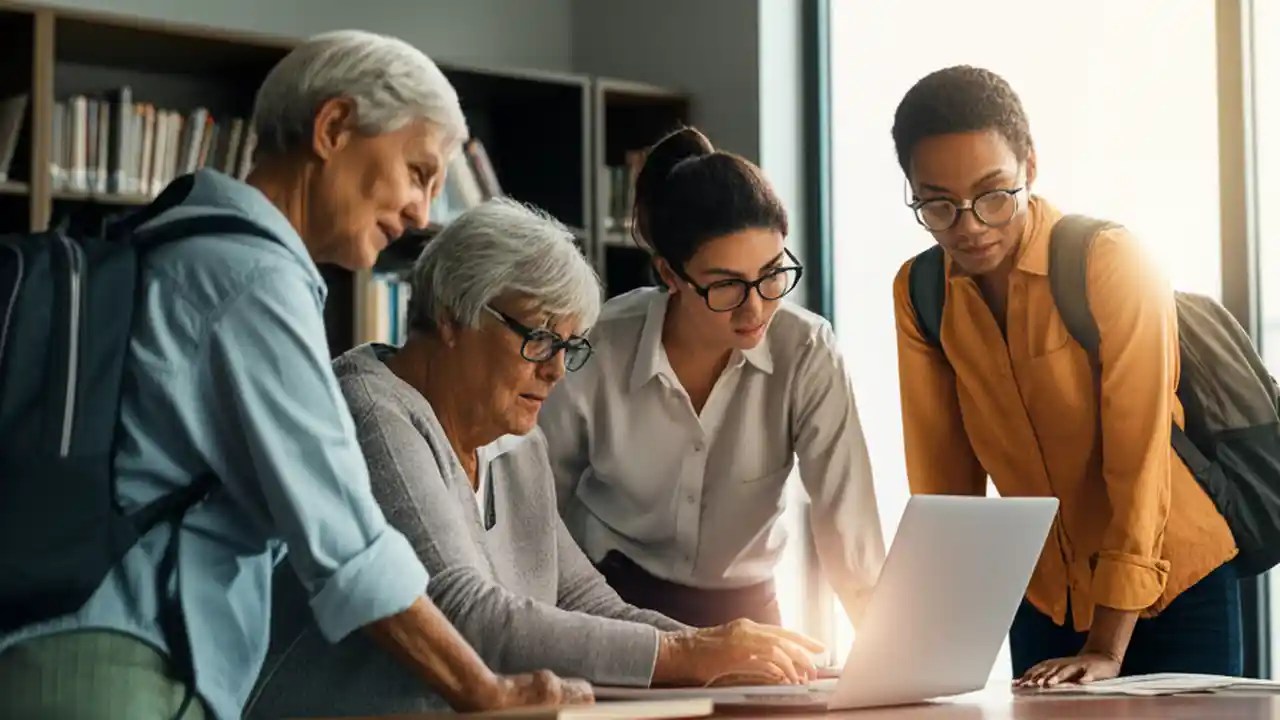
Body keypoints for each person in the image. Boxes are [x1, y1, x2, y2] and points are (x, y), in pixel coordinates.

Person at [0, 30, 588, 719]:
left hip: (74, 653)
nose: (422, 212)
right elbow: (345, 539)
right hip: (119, 671)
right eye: (418, 172)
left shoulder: (177, 241)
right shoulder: (252, 281)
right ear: (334, 128)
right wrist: (483, 690)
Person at [246, 198, 827, 718]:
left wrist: (730, 656)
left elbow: (582, 599)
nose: (553, 370)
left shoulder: (516, 440)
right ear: (453, 315)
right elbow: (464, 611)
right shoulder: (372, 410)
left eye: (568, 347)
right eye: (539, 338)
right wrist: (684, 652)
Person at [890, 65, 1241, 687]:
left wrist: (1107, 646)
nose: (968, 225)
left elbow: (1139, 460)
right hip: (1046, 598)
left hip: (1172, 587)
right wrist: (925, 656)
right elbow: (944, 484)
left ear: (1030, 165)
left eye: (993, 193)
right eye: (938, 203)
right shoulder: (920, 291)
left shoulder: (1109, 259)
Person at [539, 126, 886, 631]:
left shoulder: (806, 351)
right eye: (726, 285)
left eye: (772, 275)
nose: (757, 306)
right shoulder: (599, 347)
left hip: (747, 614)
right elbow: (538, 502)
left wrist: (890, 672)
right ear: (670, 275)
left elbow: (849, 532)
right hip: (612, 602)